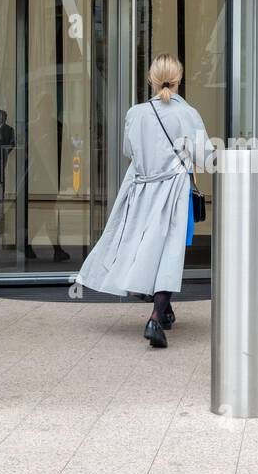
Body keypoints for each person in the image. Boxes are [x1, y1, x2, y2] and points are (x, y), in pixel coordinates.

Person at [76, 53, 205, 348]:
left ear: (151, 79)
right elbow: (203, 156)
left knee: (144, 246)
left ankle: (165, 311)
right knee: (169, 253)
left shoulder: (136, 113)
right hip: (173, 191)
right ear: (179, 79)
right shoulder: (188, 114)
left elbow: (127, 150)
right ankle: (156, 318)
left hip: (142, 190)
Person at [0, 109, 15, 200]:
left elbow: (12, 143)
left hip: (1, 155)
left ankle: (0, 196)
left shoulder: (9, 129)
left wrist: (5, 151)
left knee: (1, 176)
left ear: (4, 118)